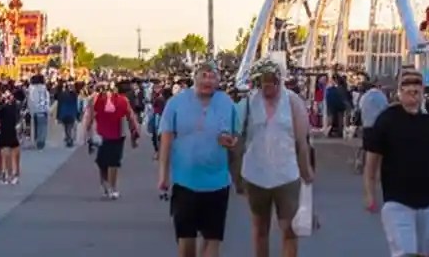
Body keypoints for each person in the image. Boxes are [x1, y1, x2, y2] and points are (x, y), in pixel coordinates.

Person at [362, 69, 429, 257]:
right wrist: (370, 192)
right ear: (399, 90)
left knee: (424, 253)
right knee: (405, 252)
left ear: (422, 89)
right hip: (397, 200)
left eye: (416, 85)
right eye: (407, 85)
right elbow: (372, 160)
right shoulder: (387, 119)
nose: (412, 89)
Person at [158, 62, 236, 257]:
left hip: (217, 183)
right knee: (186, 241)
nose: (208, 80)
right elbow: (166, 141)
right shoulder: (176, 103)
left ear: (218, 81)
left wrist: (231, 142)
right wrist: (163, 175)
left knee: (213, 239)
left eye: (212, 76)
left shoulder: (227, 103)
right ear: (195, 78)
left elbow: (236, 136)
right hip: (185, 182)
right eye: (204, 75)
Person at [239, 58, 313, 257]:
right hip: (255, 175)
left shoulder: (292, 101)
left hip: (286, 174)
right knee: (260, 229)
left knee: (288, 229)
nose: (267, 86)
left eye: (271, 81)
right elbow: (238, 137)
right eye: (263, 81)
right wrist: (237, 176)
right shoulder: (248, 103)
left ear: (279, 80)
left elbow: (301, 141)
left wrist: (306, 172)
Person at [86, 79, 140, 200]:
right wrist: (134, 135)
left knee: (103, 162)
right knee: (112, 163)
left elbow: (89, 118)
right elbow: (131, 118)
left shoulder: (95, 100)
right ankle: (112, 188)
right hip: (116, 135)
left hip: (103, 135)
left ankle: (107, 187)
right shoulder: (122, 100)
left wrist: (89, 135)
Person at [0, 88, 23, 184]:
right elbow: (18, 120)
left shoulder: (0, 109)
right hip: (12, 132)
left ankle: (5, 173)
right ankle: (15, 173)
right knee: (15, 153)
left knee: (4, 154)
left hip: (3, 133)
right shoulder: (15, 108)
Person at [55, 81, 80, 147]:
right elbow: (76, 105)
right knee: (69, 127)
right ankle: (69, 139)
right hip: (71, 113)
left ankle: (68, 138)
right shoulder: (74, 95)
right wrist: (77, 115)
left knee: (66, 127)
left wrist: (58, 116)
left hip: (63, 113)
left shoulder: (61, 95)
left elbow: (59, 105)